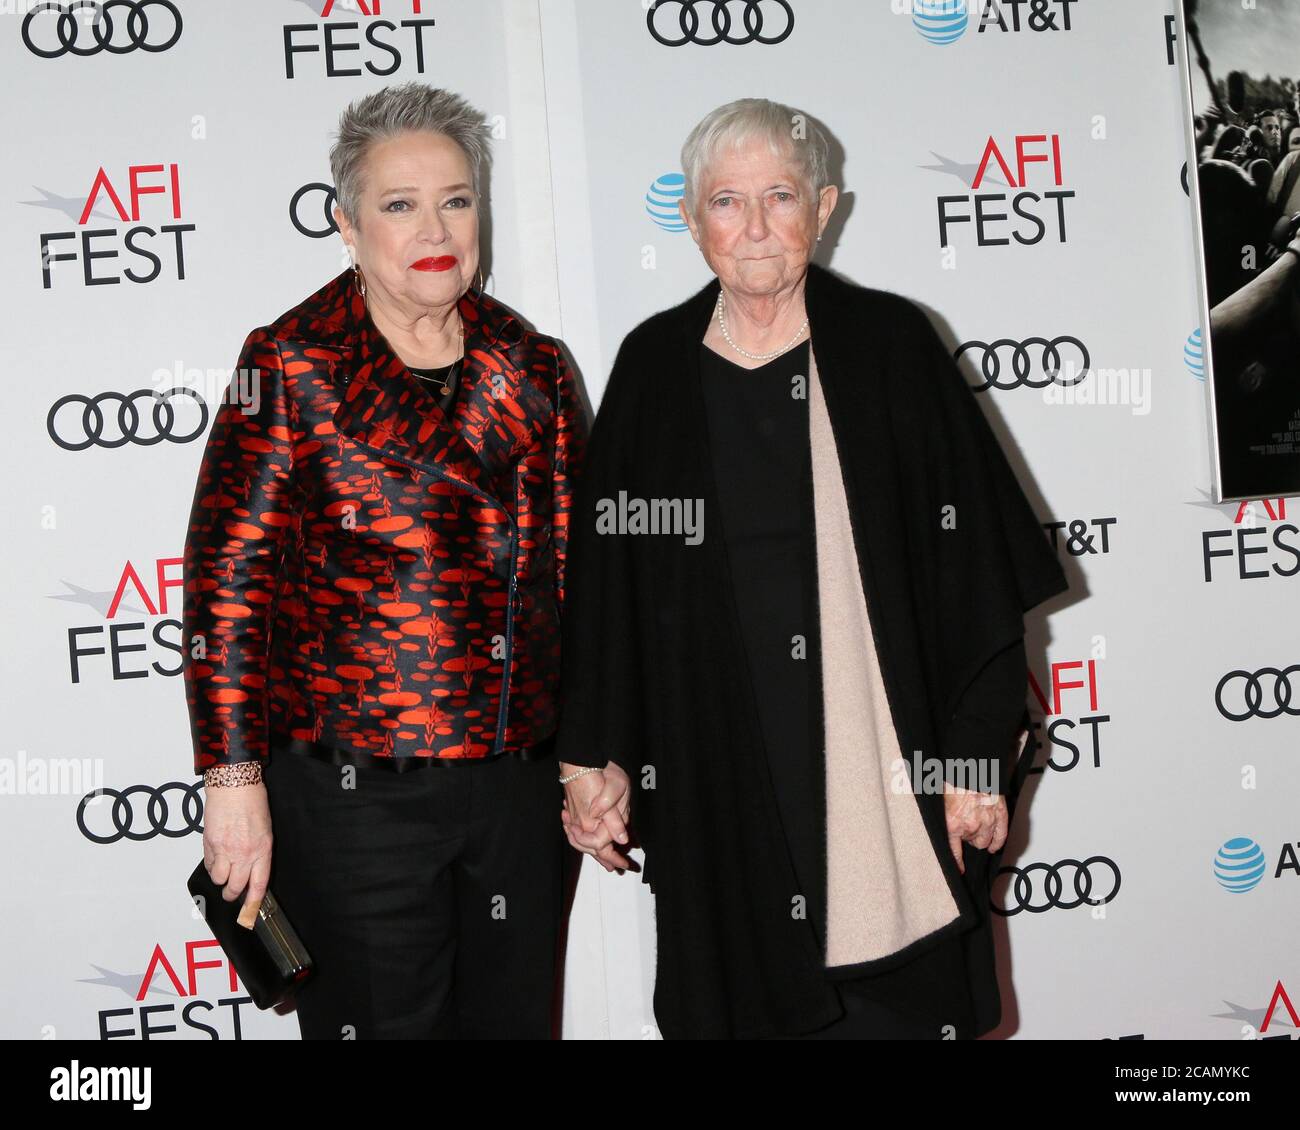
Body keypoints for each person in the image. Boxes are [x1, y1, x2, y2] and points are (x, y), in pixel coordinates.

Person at [555, 98, 1069, 1039]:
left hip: (880, 785)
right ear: (689, 214)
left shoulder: (892, 347)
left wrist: (971, 760)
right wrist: (593, 759)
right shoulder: (654, 367)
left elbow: (978, 584)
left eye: (780, 196)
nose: (753, 227)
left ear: (824, 208)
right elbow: (605, 593)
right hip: (721, 780)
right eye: (726, 201)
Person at [182, 82, 592, 1039]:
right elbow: (227, 588)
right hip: (356, 799)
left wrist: (588, 753)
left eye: (455, 199)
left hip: (516, 793)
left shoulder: (532, 364)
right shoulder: (287, 363)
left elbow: (580, 579)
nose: (433, 227)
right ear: (346, 225)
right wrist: (233, 786)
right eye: (399, 205)